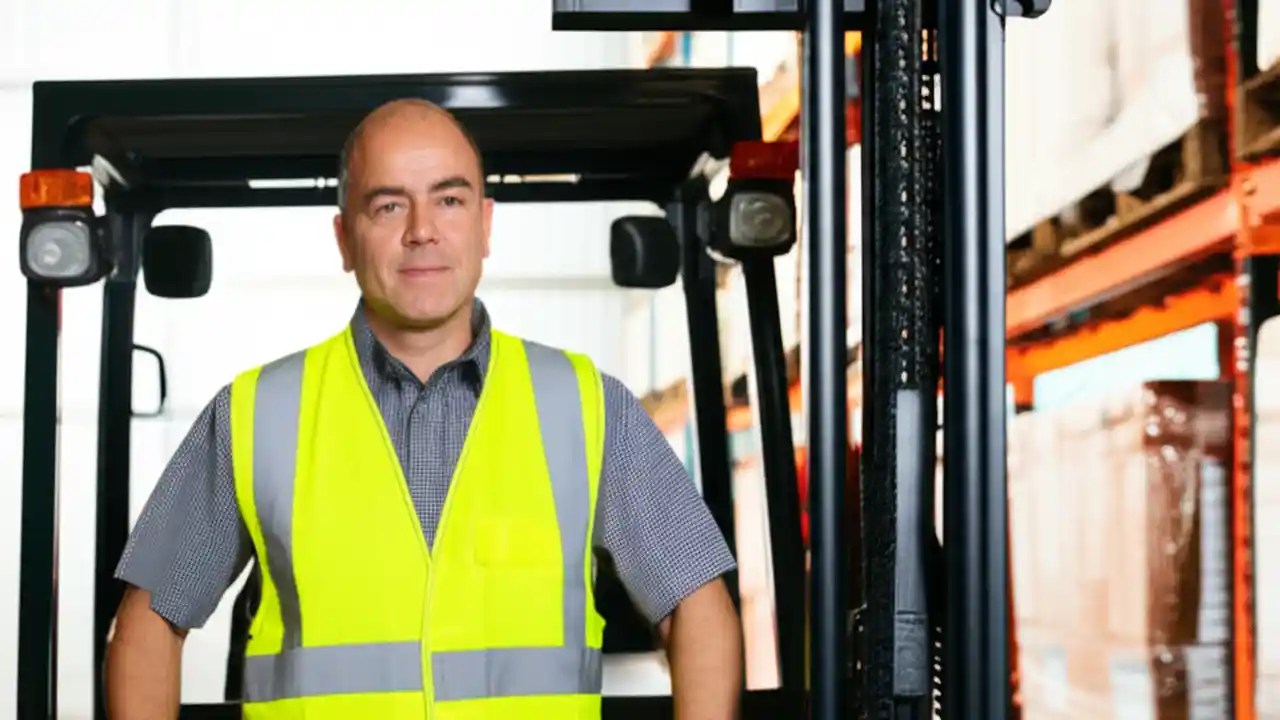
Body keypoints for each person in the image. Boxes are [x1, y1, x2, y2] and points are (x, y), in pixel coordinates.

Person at [104, 98, 743, 719]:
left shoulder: (584, 406)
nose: (422, 230)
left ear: (485, 225)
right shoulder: (256, 413)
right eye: (388, 205)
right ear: (344, 239)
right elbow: (150, 620)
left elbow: (696, 602)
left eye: (449, 200)